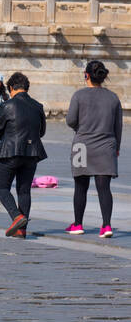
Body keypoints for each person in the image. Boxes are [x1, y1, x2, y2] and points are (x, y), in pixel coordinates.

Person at [65, 60, 121, 237]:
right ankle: (106, 226)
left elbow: (70, 120)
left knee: (80, 186)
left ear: (86, 75)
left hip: (82, 145)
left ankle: (78, 224)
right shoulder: (113, 98)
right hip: (106, 146)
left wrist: (81, 127)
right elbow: (117, 126)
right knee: (104, 187)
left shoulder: (79, 95)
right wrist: (116, 148)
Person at [0, 72, 46, 238]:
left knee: (1, 186)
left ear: (11, 88)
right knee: (24, 190)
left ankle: (17, 216)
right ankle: (22, 229)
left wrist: (7, 137)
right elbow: (41, 131)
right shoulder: (38, 106)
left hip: (10, 152)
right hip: (32, 153)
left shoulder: (7, 105)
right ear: (26, 88)